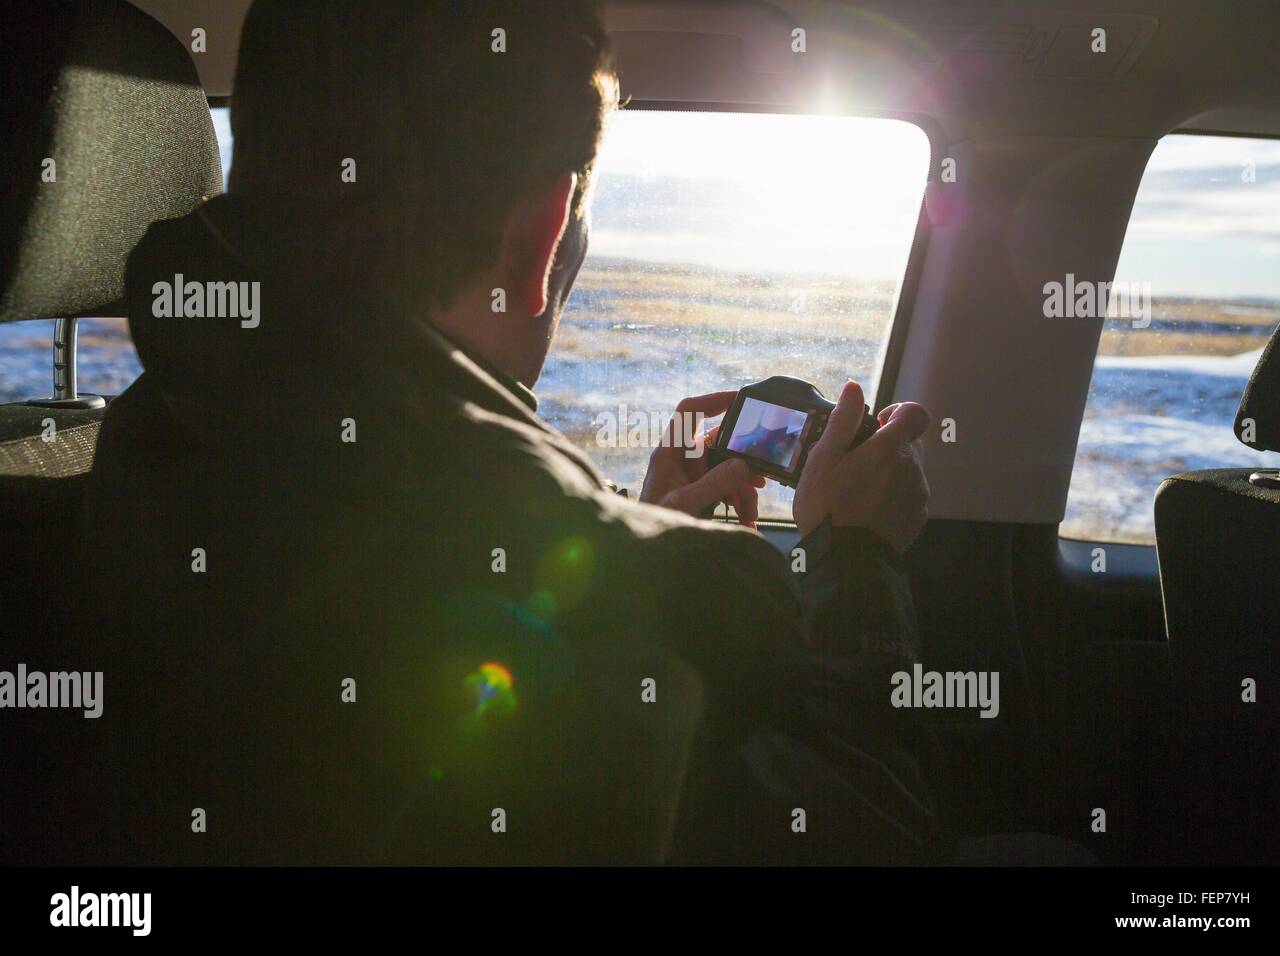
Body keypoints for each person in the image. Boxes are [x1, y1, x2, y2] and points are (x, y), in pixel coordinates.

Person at [75, 0, 938, 865]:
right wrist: (855, 566)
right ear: (542, 235)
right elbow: (877, 836)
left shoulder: (143, 436)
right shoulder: (667, 596)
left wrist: (615, 539)